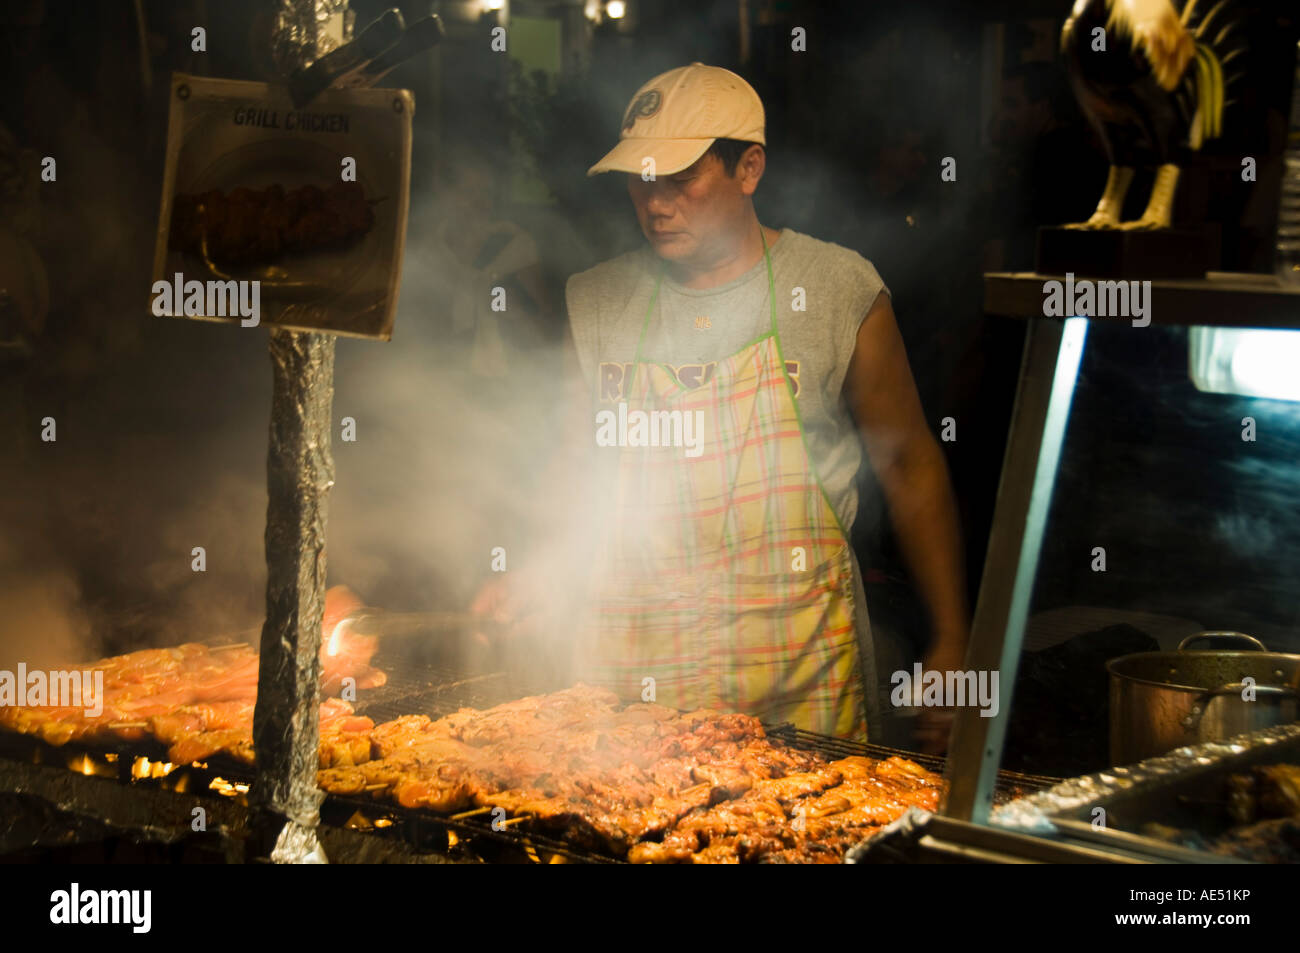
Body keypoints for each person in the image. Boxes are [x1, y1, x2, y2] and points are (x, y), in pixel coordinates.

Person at [474, 63, 968, 750]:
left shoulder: (835, 289)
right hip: (635, 677)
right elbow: (573, 461)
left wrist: (951, 635)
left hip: (801, 674)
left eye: (680, 177)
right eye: (639, 178)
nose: (655, 202)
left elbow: (911, 463)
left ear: (749, 169)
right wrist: (533, 566)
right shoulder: (597, 300)